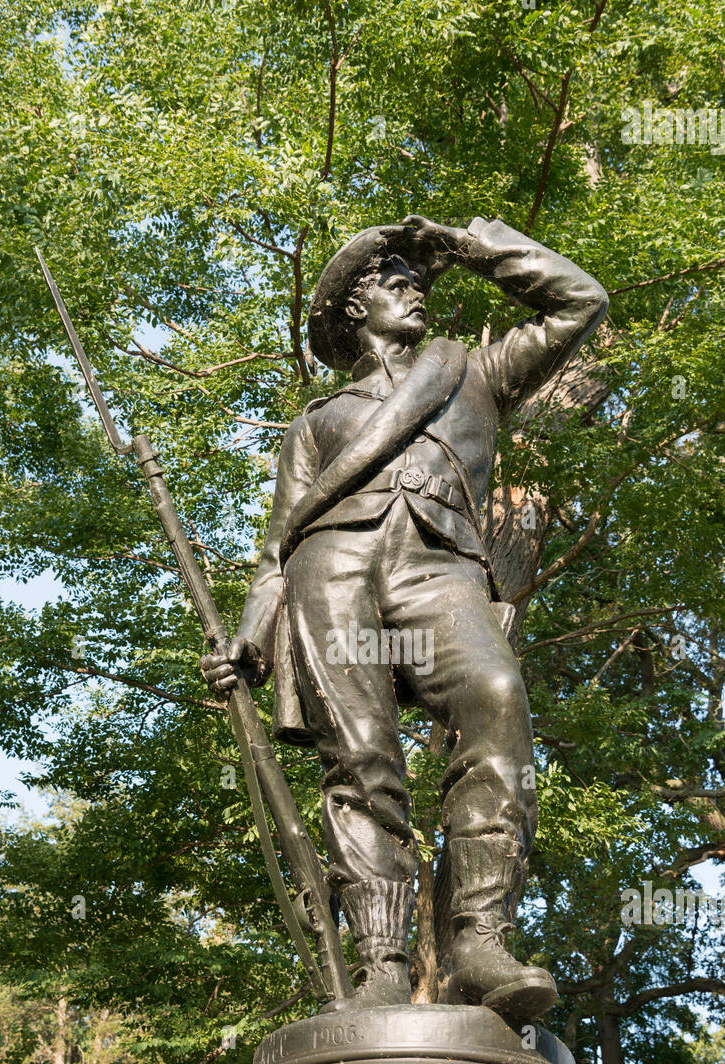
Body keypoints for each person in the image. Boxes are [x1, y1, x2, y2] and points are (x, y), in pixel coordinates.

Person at [202, 214, 608, 1019]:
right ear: (353, 310)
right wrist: (249, 637)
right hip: (331, 571)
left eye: (418, 283)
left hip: (440, 566)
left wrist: (471, 244)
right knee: (359, 760)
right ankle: (381, 964)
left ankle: (479, 943)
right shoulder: (313, 424)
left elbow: (579, 301)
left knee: (494, 697)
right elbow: (275, 551)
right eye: (395, 284)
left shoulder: (473, 374)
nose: (415, 293)